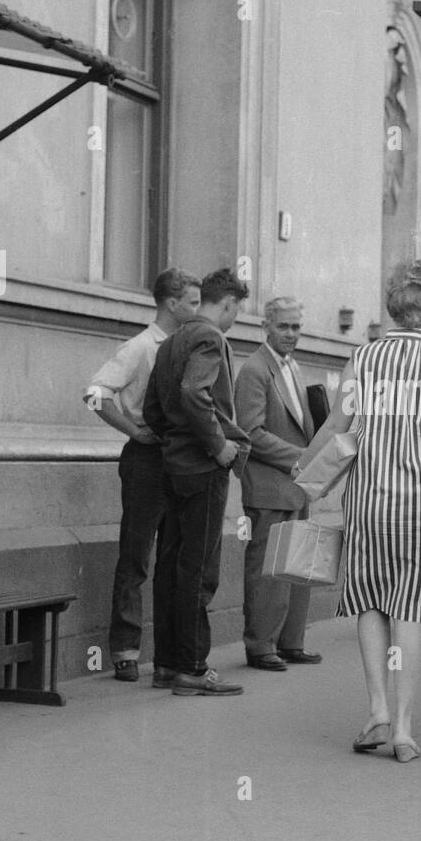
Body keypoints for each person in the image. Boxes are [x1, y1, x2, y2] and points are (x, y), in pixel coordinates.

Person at [295, 259, 421, 763]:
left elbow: (337, 426)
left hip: (370, 503)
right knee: (412, 609)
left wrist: (305, 476)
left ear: (393, 304)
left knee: (372, 603)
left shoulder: (364, 359)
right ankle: (403, 726)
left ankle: (376, 709)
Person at [84, 269, 201, 682]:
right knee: (136, 554)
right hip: (146, 460)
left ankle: (167, 653)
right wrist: (133, 431)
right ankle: (124, 650)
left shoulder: (189, 345)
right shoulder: (139, 347)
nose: (197, 309)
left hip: (180, 460)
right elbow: (96, 394)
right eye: (193, 301)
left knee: (173, 558)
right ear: (172, 303)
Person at [142, 268, 251, 697]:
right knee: (199, 570)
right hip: (204, 467)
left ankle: (167, 664)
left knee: (171, 566)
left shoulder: (170, 341)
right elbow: (194, 391)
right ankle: (193, 666)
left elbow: (153, 408)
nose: (234, 318)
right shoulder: (210, 338)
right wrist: (217, 443)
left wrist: (173, 440)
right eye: (236, 310)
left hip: (172, 465)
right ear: (226, 304)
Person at [234, 296, 323, 671]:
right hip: (271, 485)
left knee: (297, 565)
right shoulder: (255, 369)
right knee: (268, 571)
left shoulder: (293, 367)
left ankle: (290, 642)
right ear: (266, 327)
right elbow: (250, 431)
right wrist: (302, 459)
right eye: (284, 327)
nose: (291, 334)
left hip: (295, 484)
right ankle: (260, 646)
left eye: (296, 327)